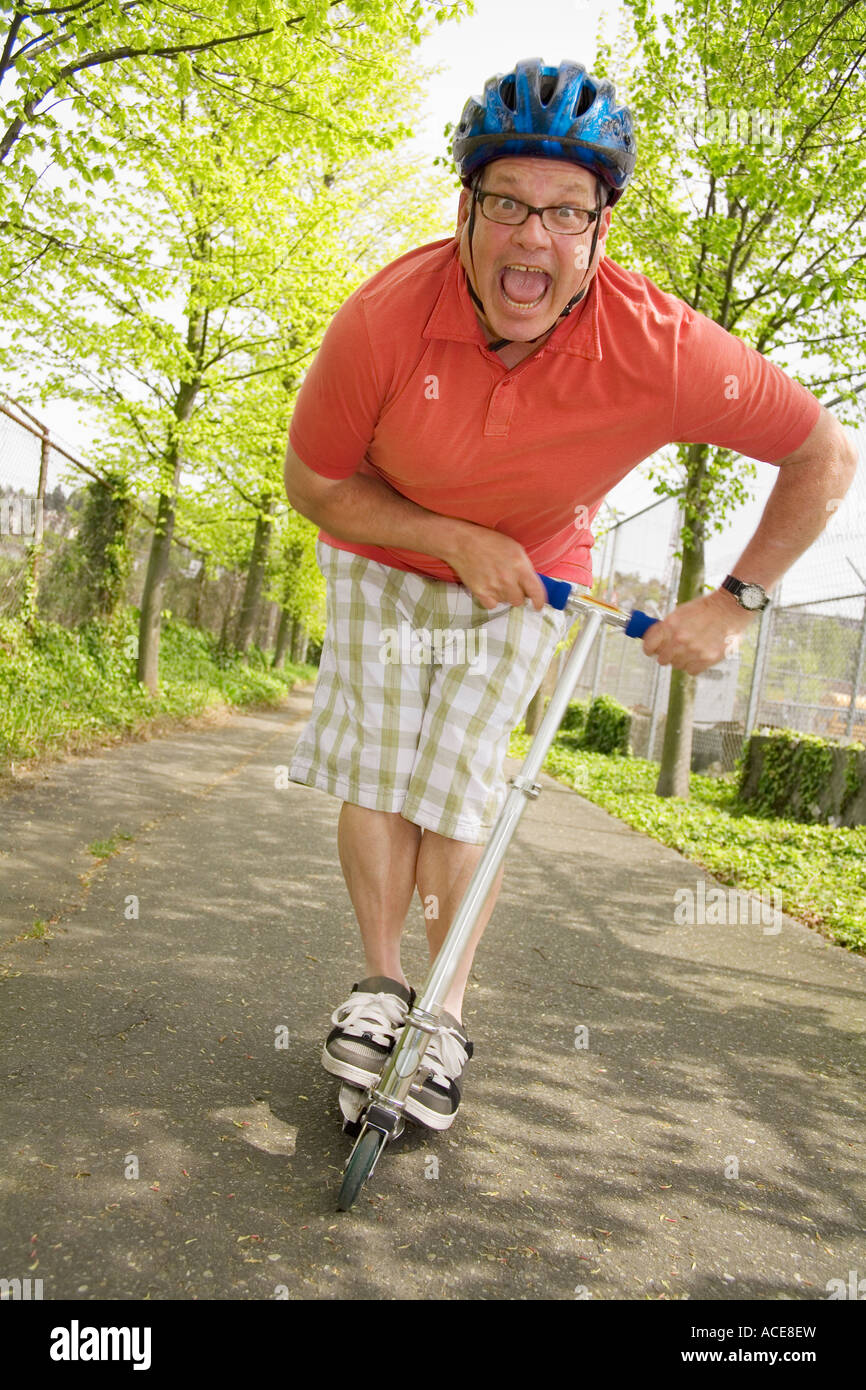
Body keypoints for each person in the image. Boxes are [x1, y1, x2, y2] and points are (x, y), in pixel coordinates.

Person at [283, 59, 856, 1131]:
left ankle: (443, 1009)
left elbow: (823, 451)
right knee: (377, 758)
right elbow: (314, 484)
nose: (529, 239)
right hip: (383, 537)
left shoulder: (664, 347)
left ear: (600, 227)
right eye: (506, 204)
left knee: (454, 781)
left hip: (533, 567)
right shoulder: (381, 320)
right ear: (465, 207)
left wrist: (734, 600)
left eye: (563, 212)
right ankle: (378, 981)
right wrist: (449, 535)